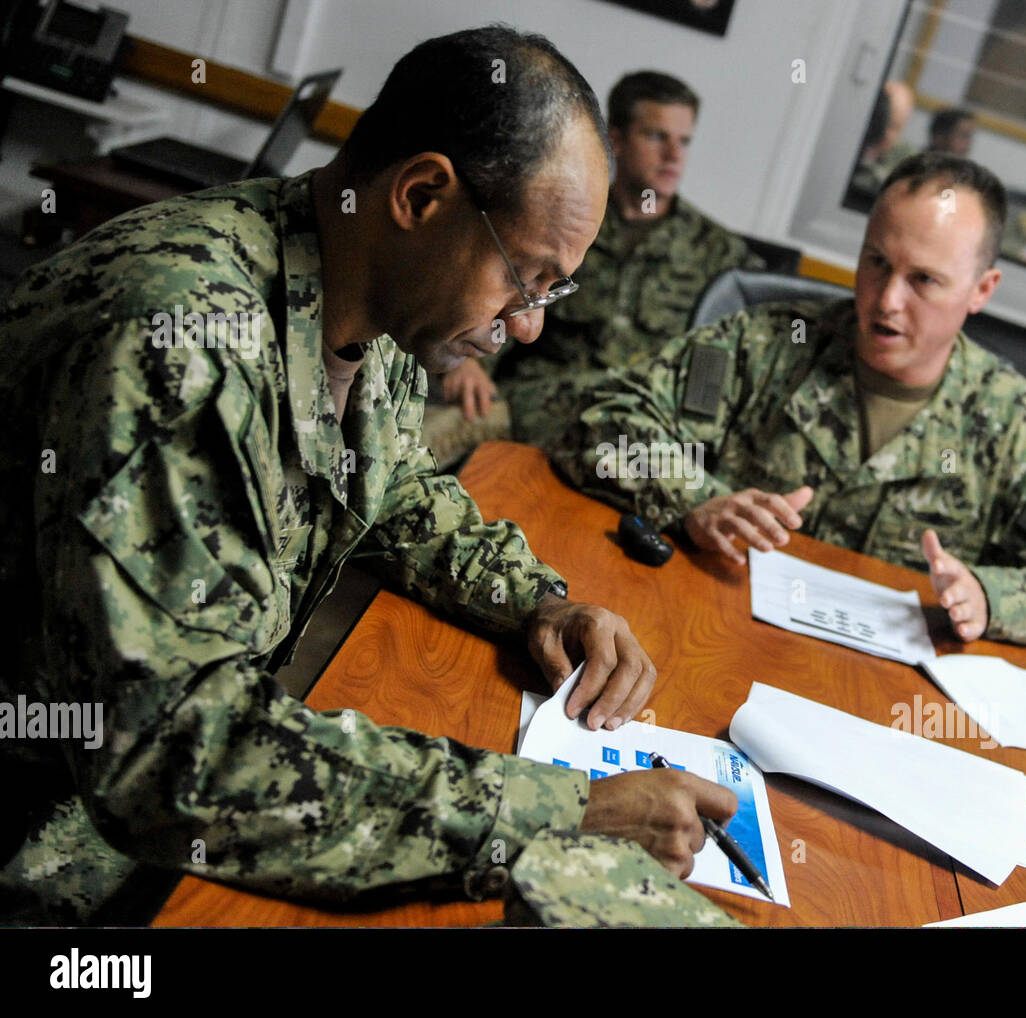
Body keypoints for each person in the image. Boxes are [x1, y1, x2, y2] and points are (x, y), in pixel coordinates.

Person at [0, 27, 737, 927]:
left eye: (551, 292)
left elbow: (394, 486)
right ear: (422, 196)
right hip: (58, 847)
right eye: (526, 279)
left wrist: (538, 603)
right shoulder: (183, 338)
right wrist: (557, 814)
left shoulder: (361, 294)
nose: (531, 328)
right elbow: (173, 756)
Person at [549, 153, 1026, 660]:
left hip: (882, 701)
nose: (886, 300)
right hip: (710, 639)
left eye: (924, 281)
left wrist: (991, 597)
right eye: (876, 262)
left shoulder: (1016, 428)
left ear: (981, 290)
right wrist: (697, 501)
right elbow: (596, 420)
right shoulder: (769, 346)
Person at [434, 69, 762, 452]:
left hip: (638, 431)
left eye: (684, 142)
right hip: (532, 406)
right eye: (657, 137)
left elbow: (730, 365)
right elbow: (509, 299)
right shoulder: (565, 223)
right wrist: (471, 362)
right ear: (616, 140)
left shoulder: (720, 255)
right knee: (425, 440)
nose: (674, 156)